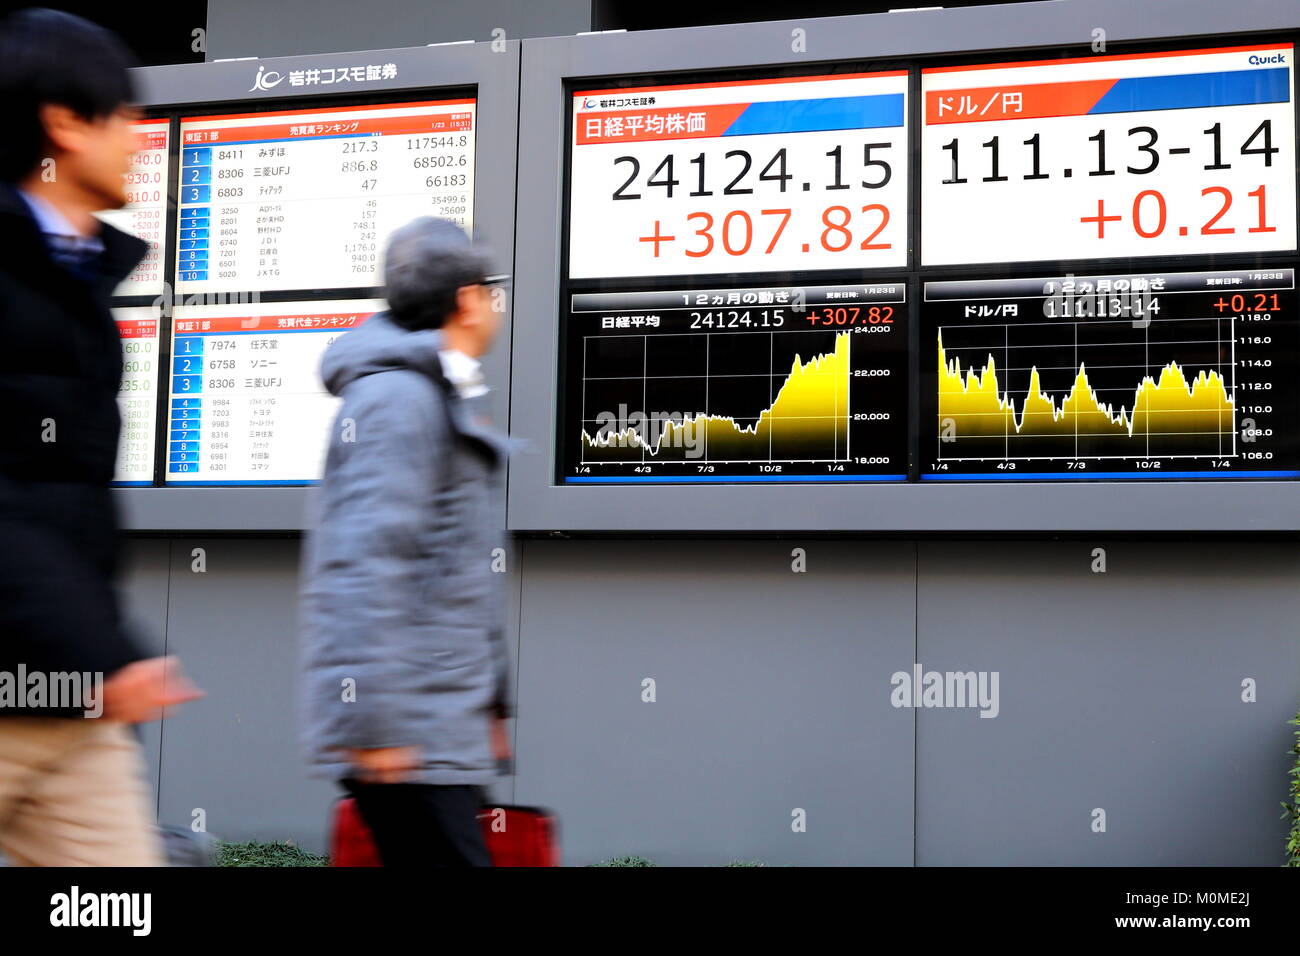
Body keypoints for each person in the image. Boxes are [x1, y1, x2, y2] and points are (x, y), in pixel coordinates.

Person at [0, 8, 201, 866]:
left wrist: (94, 661)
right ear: (63, 124)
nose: (141, 139)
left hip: (71, 700)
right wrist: (95, 649)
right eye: (123, 116)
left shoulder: (78, 278)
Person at [299, 216, 513, 867]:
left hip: (437, 720)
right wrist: (373, 724)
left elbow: (452, 568)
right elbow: (365, 562)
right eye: (492, 290)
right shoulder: (398, 402)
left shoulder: (429, 396)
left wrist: (492, 700)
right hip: (406, 730)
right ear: (467, 300)